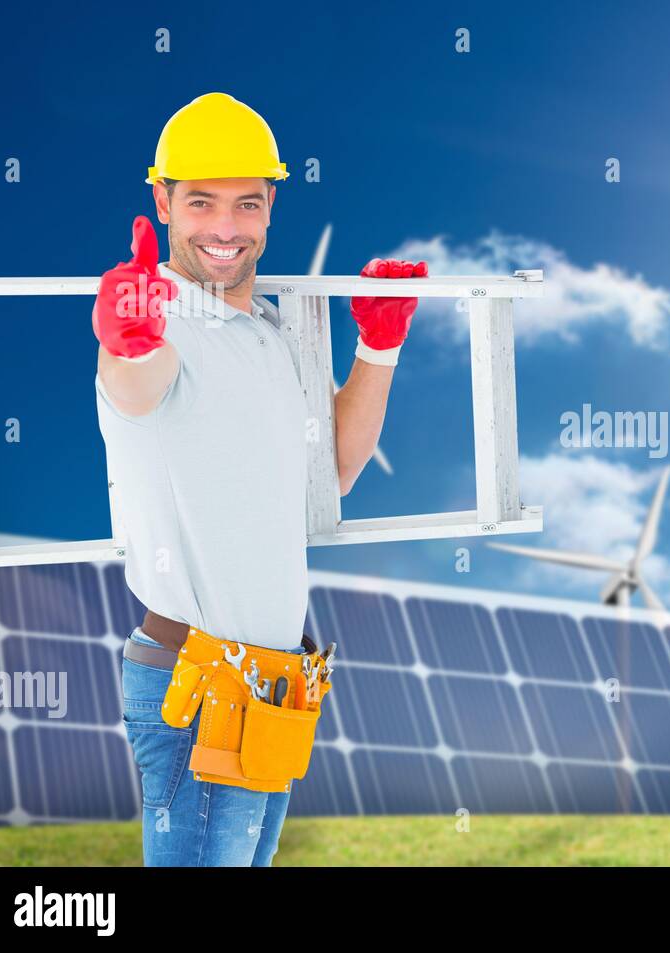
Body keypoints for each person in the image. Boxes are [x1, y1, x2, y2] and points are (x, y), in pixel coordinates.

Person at [95, 92, 424, 866]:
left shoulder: (275, 333)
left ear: (271, 204)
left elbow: (334, 472)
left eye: (247, 202)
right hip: (199, 686)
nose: (225, 227)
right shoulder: (158, 313)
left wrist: (378, 348)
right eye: (201, 201)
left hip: (270, 690)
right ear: (162, 202)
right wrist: (129, 339)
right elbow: (136, 385)